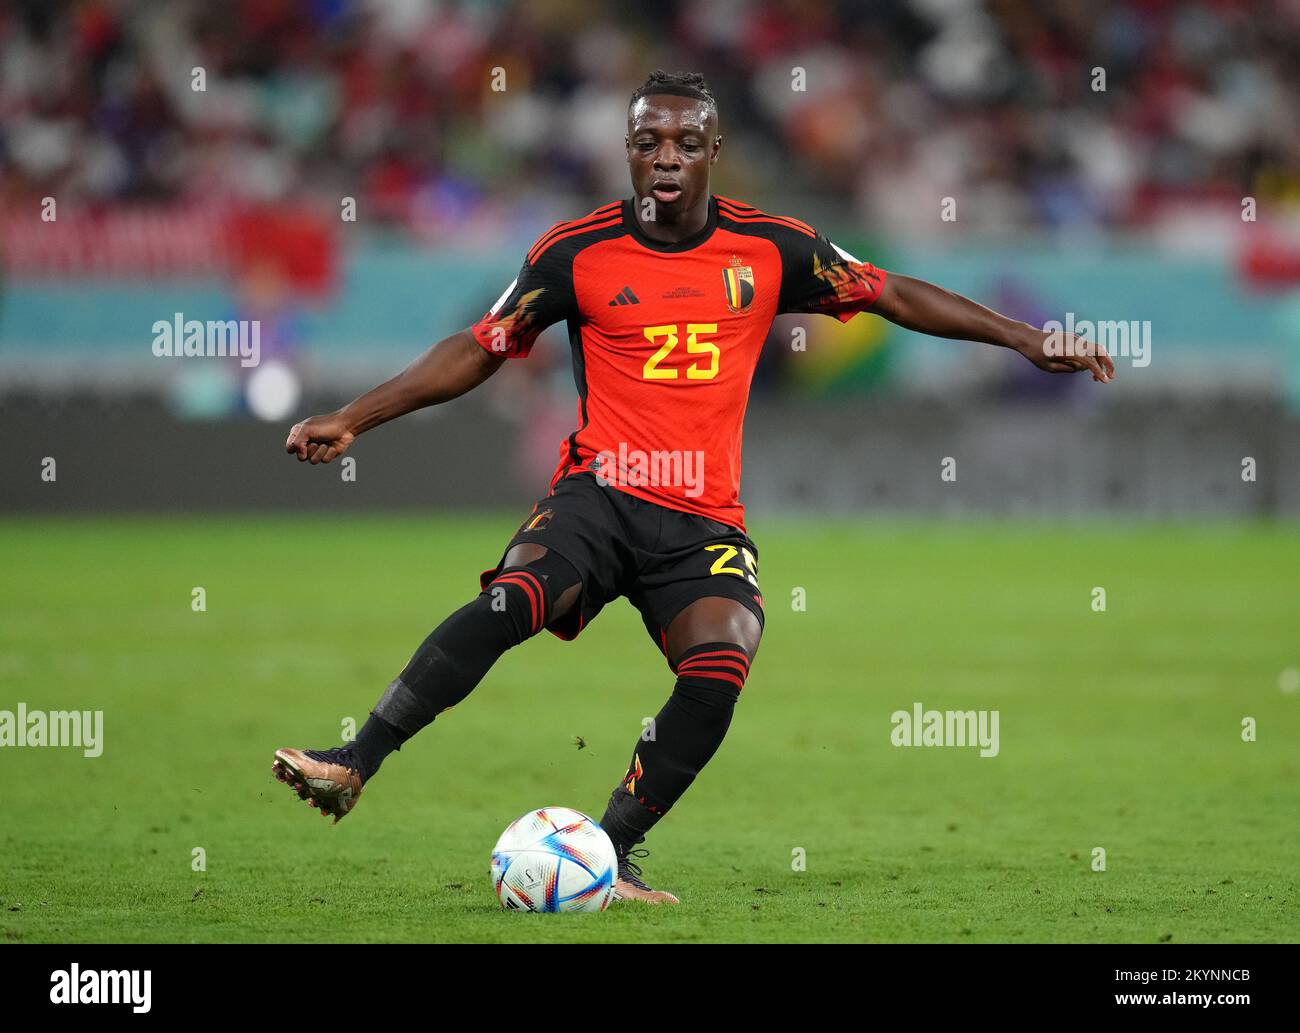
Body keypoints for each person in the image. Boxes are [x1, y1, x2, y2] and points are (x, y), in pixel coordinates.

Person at [273, 70, 1113, 905]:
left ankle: (612, 851)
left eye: (684, 142)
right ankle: (356, 760)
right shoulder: (575, 253)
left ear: (715, 149)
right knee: (511, 599)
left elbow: (890, 292)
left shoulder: (773, 247)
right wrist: (355, 416)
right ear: (628, 153)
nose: (666, 157)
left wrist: (1024, 338)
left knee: (722, 662)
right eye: (648, 143)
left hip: (703, 520)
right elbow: (480, 346)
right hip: (599, 495)